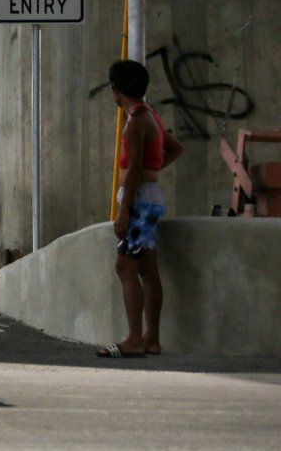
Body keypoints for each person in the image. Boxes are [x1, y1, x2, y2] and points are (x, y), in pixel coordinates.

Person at [98, 59, 183, 359]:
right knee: (148, 269)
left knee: (125, 266)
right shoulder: (151, 116)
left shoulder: (135, 120)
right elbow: (175, 148)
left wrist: (124, 211)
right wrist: (153, 170)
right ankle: (151, 339)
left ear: (116, 90)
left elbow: (133, 167)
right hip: (151, 196)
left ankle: (134, 339)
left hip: (140, 201)